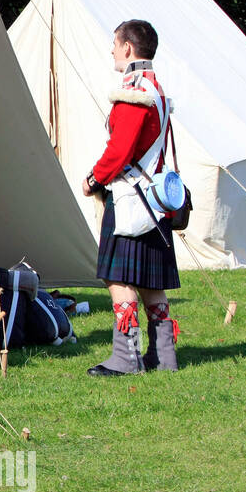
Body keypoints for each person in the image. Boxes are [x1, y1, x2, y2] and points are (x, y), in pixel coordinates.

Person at [82, 19, 180, 375]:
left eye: (115, 43)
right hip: (154, 202)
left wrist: (94, 178)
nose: (111, 49)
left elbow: (120, 149)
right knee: (152, 282)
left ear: (127, 48)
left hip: (130, 199)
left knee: (119, 279)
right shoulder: (157, 88)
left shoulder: (134, 89)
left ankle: (128, 358)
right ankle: (164, 357)